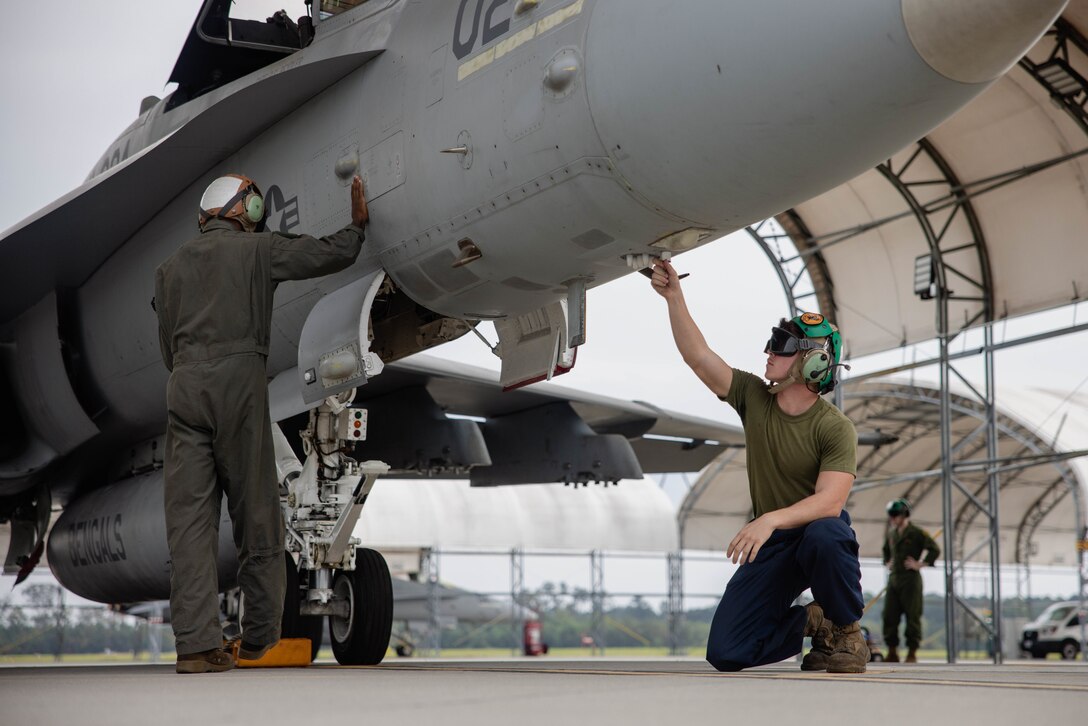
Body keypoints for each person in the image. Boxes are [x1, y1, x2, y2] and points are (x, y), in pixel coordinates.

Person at [155, 173, 369, 673]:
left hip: (184, 389)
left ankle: (196, 647)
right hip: (239, 383)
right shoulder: (258, 251)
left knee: (189, 526)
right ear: (245, 211)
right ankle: (258, 638)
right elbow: (324, 255)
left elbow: (168, 347)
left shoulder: (167, 270)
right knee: (256, 515)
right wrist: (356, 230)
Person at [649, 258, 868, 673]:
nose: (768, 352)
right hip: (775, 546)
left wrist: (767, 519)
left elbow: (829, 501)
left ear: (815, 363)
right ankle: (812, 621)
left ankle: (846, 631)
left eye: (781, 346)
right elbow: (698, 357)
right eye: (772, 341)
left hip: (815, 534)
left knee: (825, 533)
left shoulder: (836, 428)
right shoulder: (753, 397)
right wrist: (674, 297)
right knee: (727, 651)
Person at [881, 497, 939, 663]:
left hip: (910, 580)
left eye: (895, 515)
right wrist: (887, 562)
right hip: (894, 579)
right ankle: (892, 651)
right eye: (891, 515)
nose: (892, 518)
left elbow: (934, 549)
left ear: (905, 514)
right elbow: (886, 550)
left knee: (912, 616)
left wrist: (920, 564)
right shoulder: (892, 534)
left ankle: (912, 652)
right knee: (889, 615)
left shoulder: (916, 533)